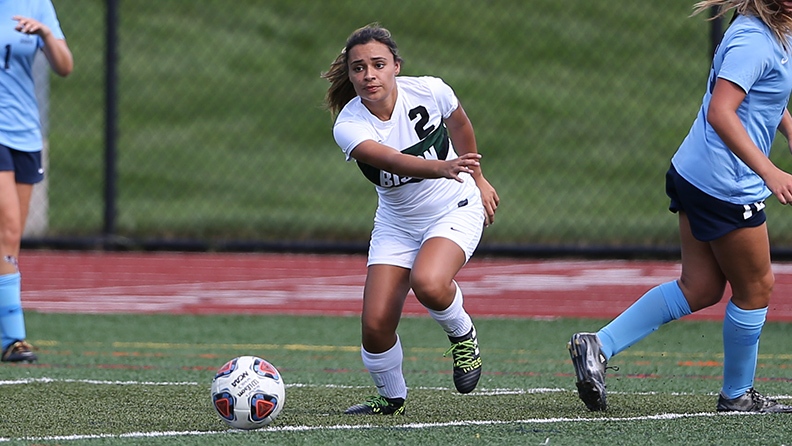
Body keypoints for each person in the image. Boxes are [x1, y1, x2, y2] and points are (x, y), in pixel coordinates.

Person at [569, 0, 792, 413]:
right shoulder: (755, 40)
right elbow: (721, 112)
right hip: (725, 183)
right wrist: (770, 171)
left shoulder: (771, 28)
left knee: (701, 287)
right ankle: (737, 396)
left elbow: (763, 98)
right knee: (757, 288)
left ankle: (598, 344)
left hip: (697, 172)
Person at [322, 24, 499, 415]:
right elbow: (390, 160)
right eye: (358, 68)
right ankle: (391, 398)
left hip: (453, 207)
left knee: (429, 282)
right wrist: (441, 166)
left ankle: (462, 335)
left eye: (378, 64)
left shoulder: (431, 90)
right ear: (350, 76)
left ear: (396, 67)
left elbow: (461, 124)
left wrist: (478, 178)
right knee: (375, 325)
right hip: (397, 222)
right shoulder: (348, 125)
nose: (368, 75)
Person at [0, 1, 72, 362]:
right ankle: (14, 338)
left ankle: (8, 338)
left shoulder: (36, 4)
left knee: (10, 240)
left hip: (24, 133)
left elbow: (65, 66)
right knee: (7, 225)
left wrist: (44, 32)